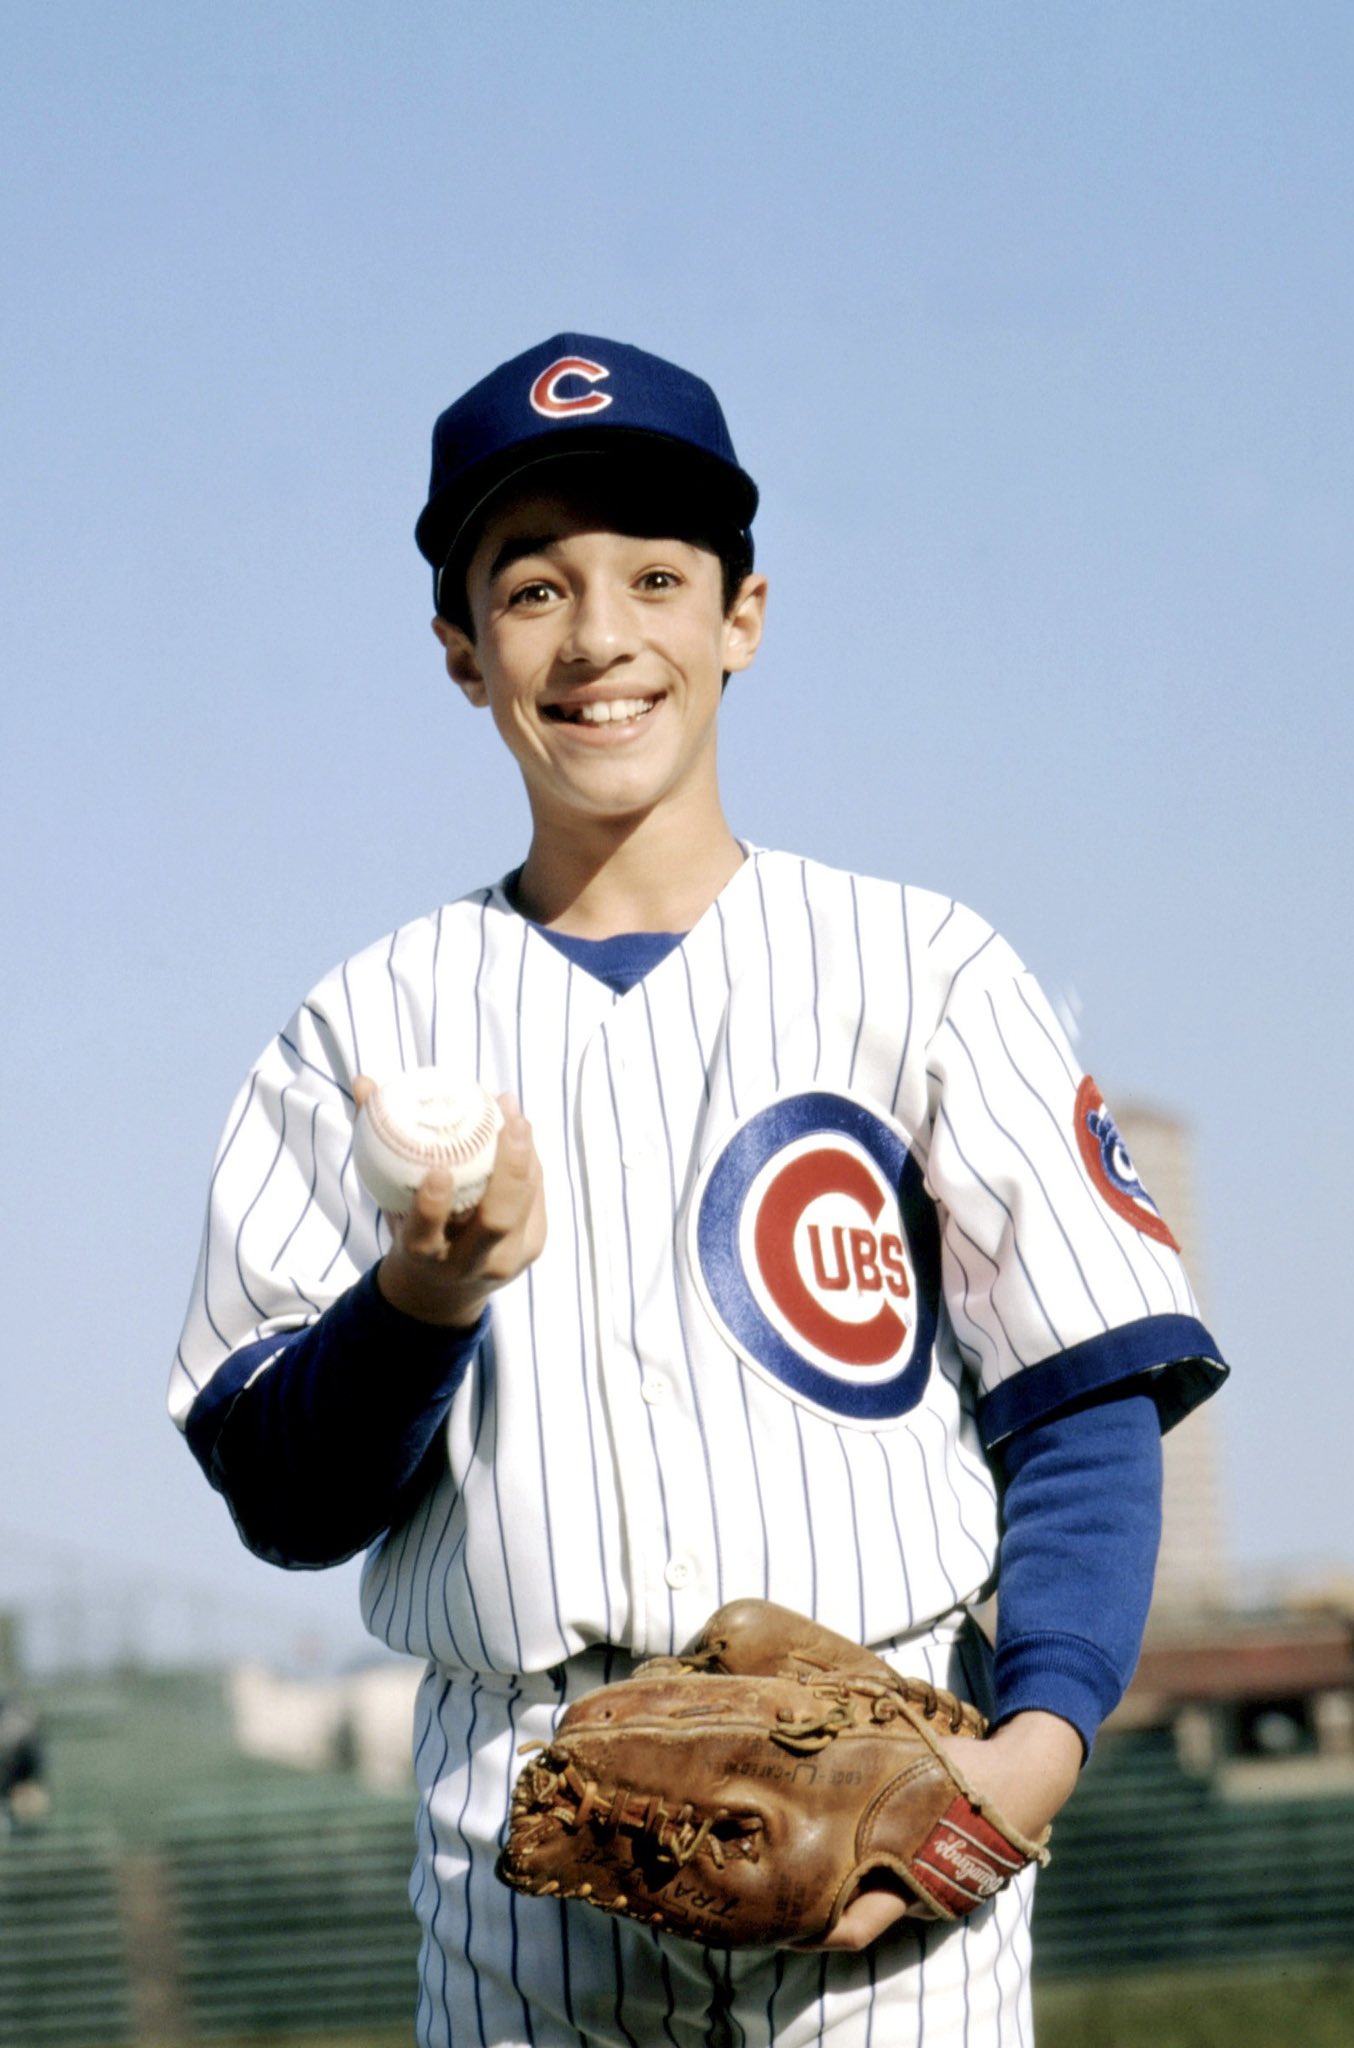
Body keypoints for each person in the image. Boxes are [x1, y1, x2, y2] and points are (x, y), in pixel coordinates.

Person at [172, 333, 1227, 2045]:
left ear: (741, 616)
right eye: (532, 588)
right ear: (459, 647)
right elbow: (283, 1496)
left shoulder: (919, 968)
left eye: (655, 577)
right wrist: (420, 1304)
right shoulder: (360, 1030)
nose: (599, 637)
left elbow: (1084, 1399)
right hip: (521, 1829)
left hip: (890, 1787)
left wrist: (1032, 1750)